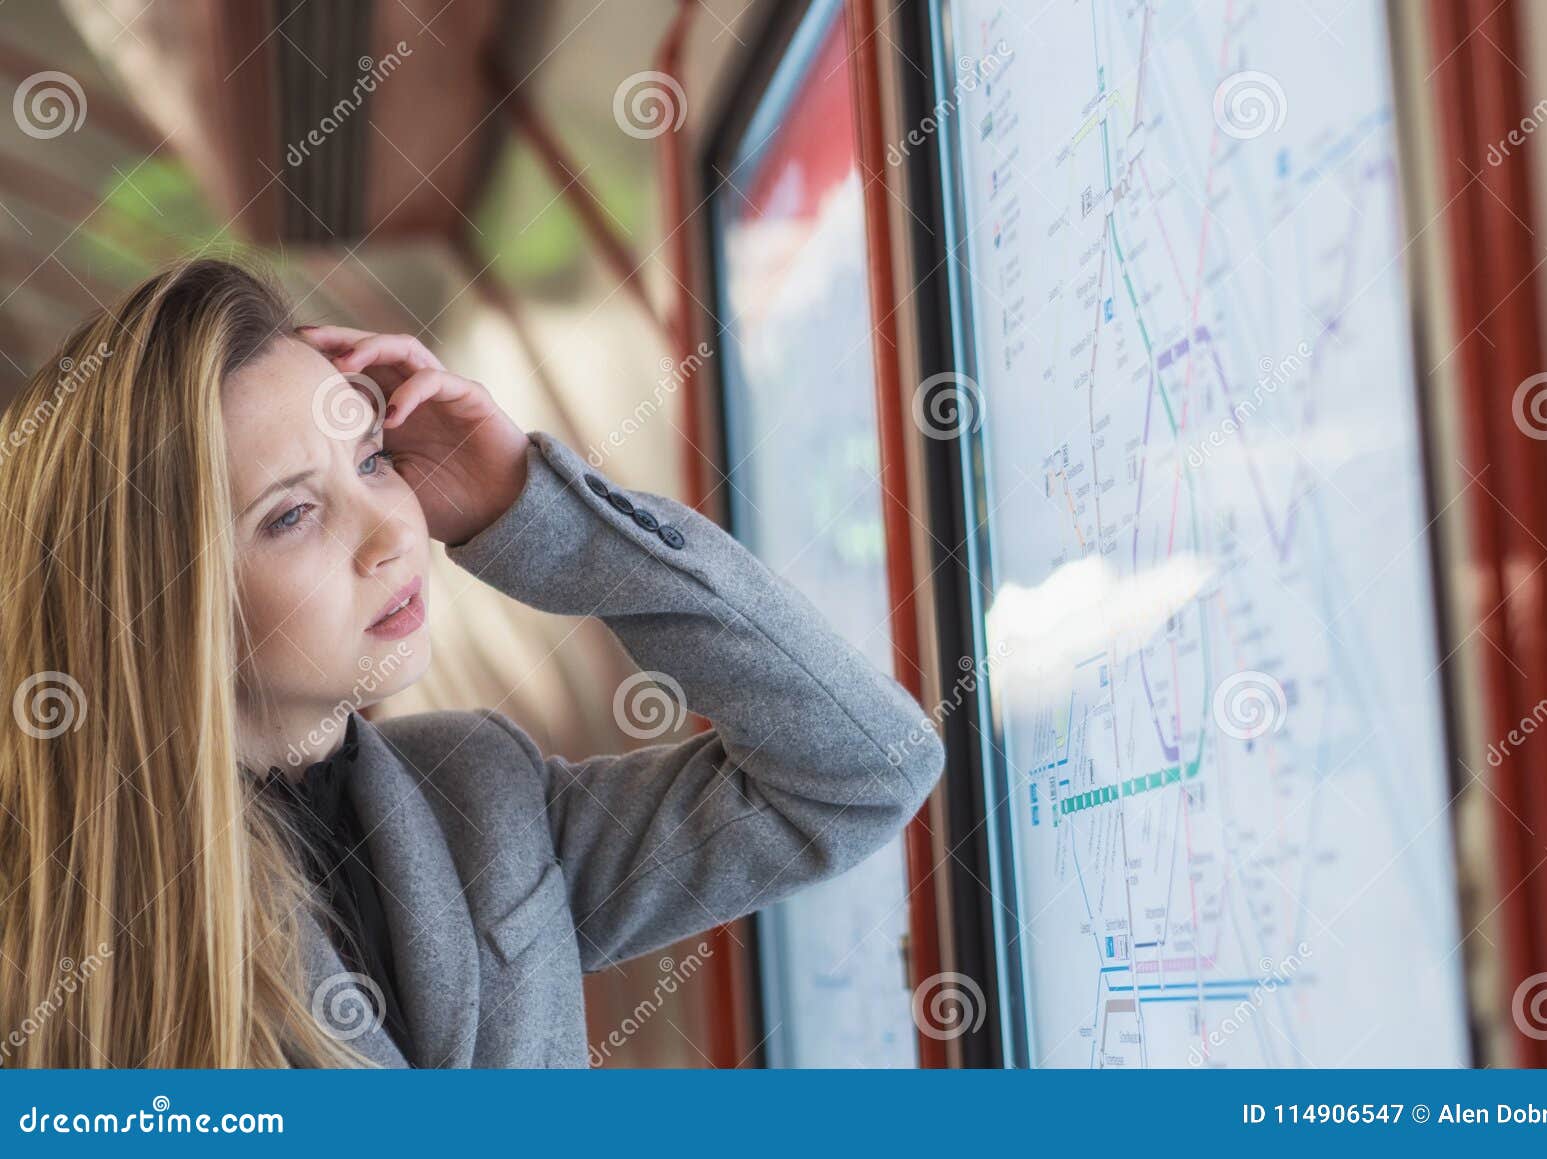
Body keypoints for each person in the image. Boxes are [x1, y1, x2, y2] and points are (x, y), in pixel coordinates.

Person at [0, 257, 944, 1068]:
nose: (389, 533)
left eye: (373, 460)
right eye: (291, 514)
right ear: (154, 604)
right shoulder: (44, 941)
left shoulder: (483, 794)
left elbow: (861, 768)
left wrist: (536, 513)